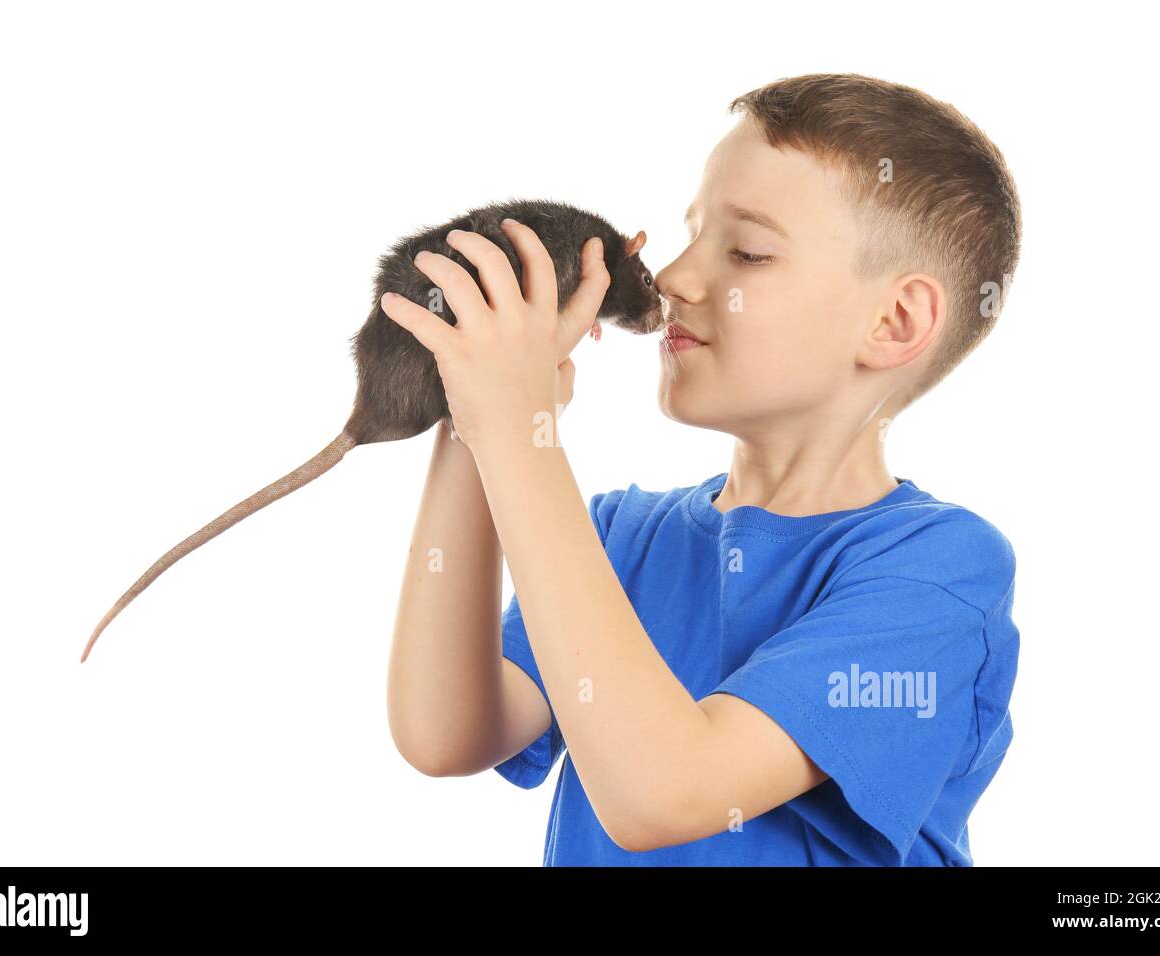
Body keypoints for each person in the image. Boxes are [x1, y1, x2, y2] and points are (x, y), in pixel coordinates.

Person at [384, 72, 1022, 866]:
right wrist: (471, 416)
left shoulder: (939, 573)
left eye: (747, 252)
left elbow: (668, 791)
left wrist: (520, 435)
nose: (677, 279)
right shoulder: (620, 534)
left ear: (894, 322)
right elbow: (444, 732)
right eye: (690, 235)